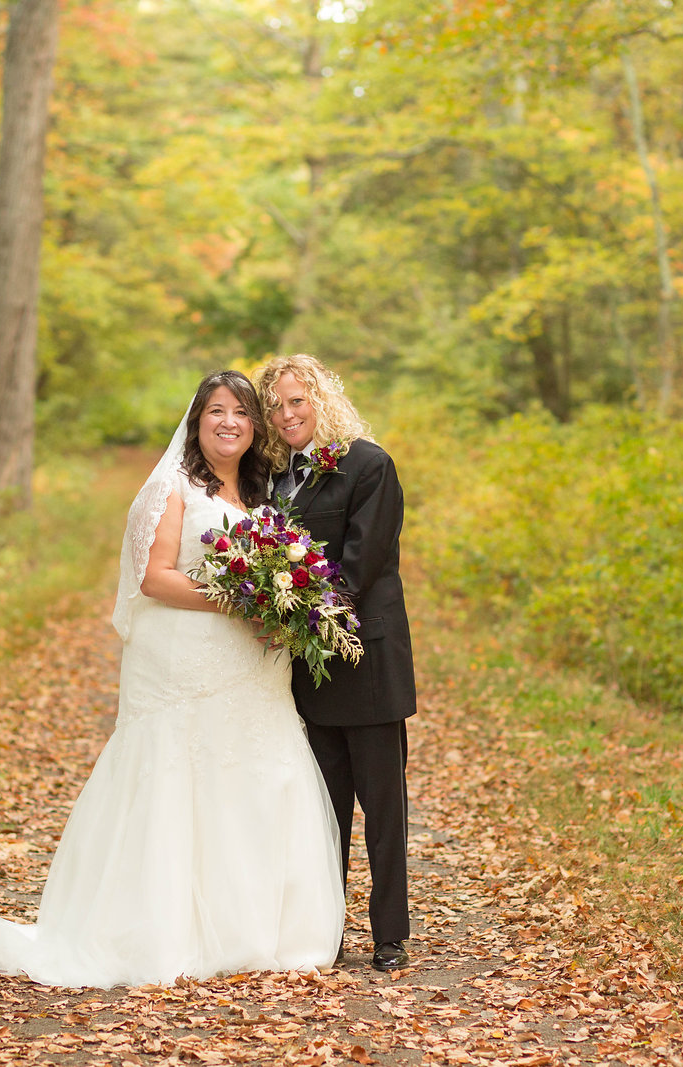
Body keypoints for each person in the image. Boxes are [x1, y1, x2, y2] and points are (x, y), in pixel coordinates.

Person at [0, 370, 344, 987]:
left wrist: (281, 611)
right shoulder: (172, 488)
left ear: (255, 426)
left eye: (242, 413)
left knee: (249, 779)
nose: (230, 422)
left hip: (252, 673)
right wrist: (239, 601)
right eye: (216, 411)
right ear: (197, 421)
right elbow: (155, 577)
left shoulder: (259, 496)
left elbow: (270, 579)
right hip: (183, 661)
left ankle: (254, 930)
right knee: (181, 781)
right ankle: (166, 929)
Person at [255, 354, 417, 973]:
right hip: (307, 669)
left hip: (366, 657)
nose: (288, 414)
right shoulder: (274, 477)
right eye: (277, 405)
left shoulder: (369, 465)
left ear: (322, 399)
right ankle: (325, 931)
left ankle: (390, 935)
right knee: (322, 812)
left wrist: (299, 614)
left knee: (383, 809)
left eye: (298, 400)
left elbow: (362, 559)